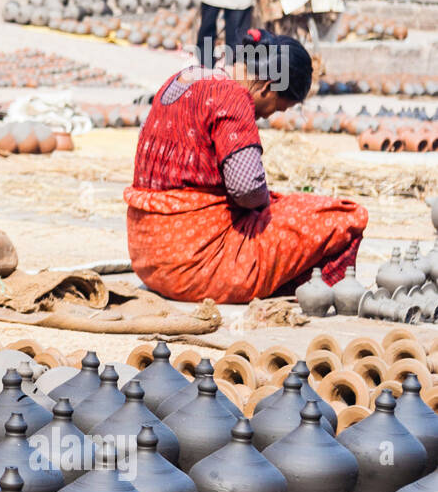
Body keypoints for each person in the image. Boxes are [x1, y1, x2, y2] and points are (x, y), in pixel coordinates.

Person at [123, 29, 367, 304]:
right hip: (195, 264)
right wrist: (265, 202)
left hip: (147, 258)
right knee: (345, 217)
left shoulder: (181, 79)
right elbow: (246, 189)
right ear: (267, 86)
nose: (266, 115)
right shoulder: (233, 97)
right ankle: (304, 295)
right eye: (276, 107)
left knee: (285, 206)